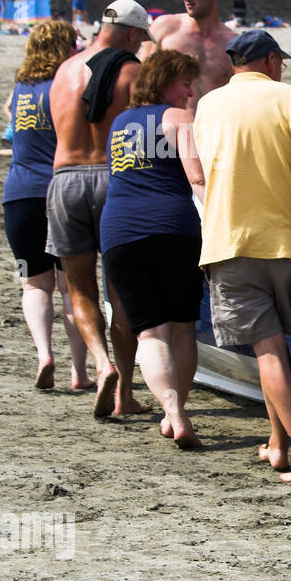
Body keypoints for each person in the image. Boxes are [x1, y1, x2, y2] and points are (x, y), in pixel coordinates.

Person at [194, 30, 291, 483]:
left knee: (267, 350)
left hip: (230, 240)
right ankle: (280, 444)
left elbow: (206, 170)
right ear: (268, 61)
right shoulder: (289, 100)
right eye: (280, 62)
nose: (283, 69)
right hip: (285, 242)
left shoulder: (207, 105)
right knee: (272, 347)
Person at [48, 0, 152, 417]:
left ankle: (101, 362)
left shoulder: (64, 70)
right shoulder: (131, 70)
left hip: (65, 178)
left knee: (78, 288)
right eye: (142, 38)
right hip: (113, 178)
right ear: (131, 34)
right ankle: (125, 393)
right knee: (120, 290)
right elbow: (146, 128)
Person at [100, 50, 206, 448]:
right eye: (185, 84)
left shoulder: (119, 124)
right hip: (173, 229)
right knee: (181, 327)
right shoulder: (178, 118)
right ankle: (178, 412)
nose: (191, 92)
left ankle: (173, 412)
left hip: (120, 233)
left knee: (149, 333)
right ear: (164, 82)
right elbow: (196, 177)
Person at [0, 20, 91, 392]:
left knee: (33, 284)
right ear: (64, 47)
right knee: (72, 286)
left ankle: (44, 355)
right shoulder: (67, 86)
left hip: (18, 194)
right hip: (59, 190)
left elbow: (9, 112)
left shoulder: (21, 87)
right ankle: (79, 372)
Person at [143, 0, 238, 107]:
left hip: (212, 127)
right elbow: (142, 81)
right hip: (167, 125)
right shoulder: (165, 28)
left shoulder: (232, 43)